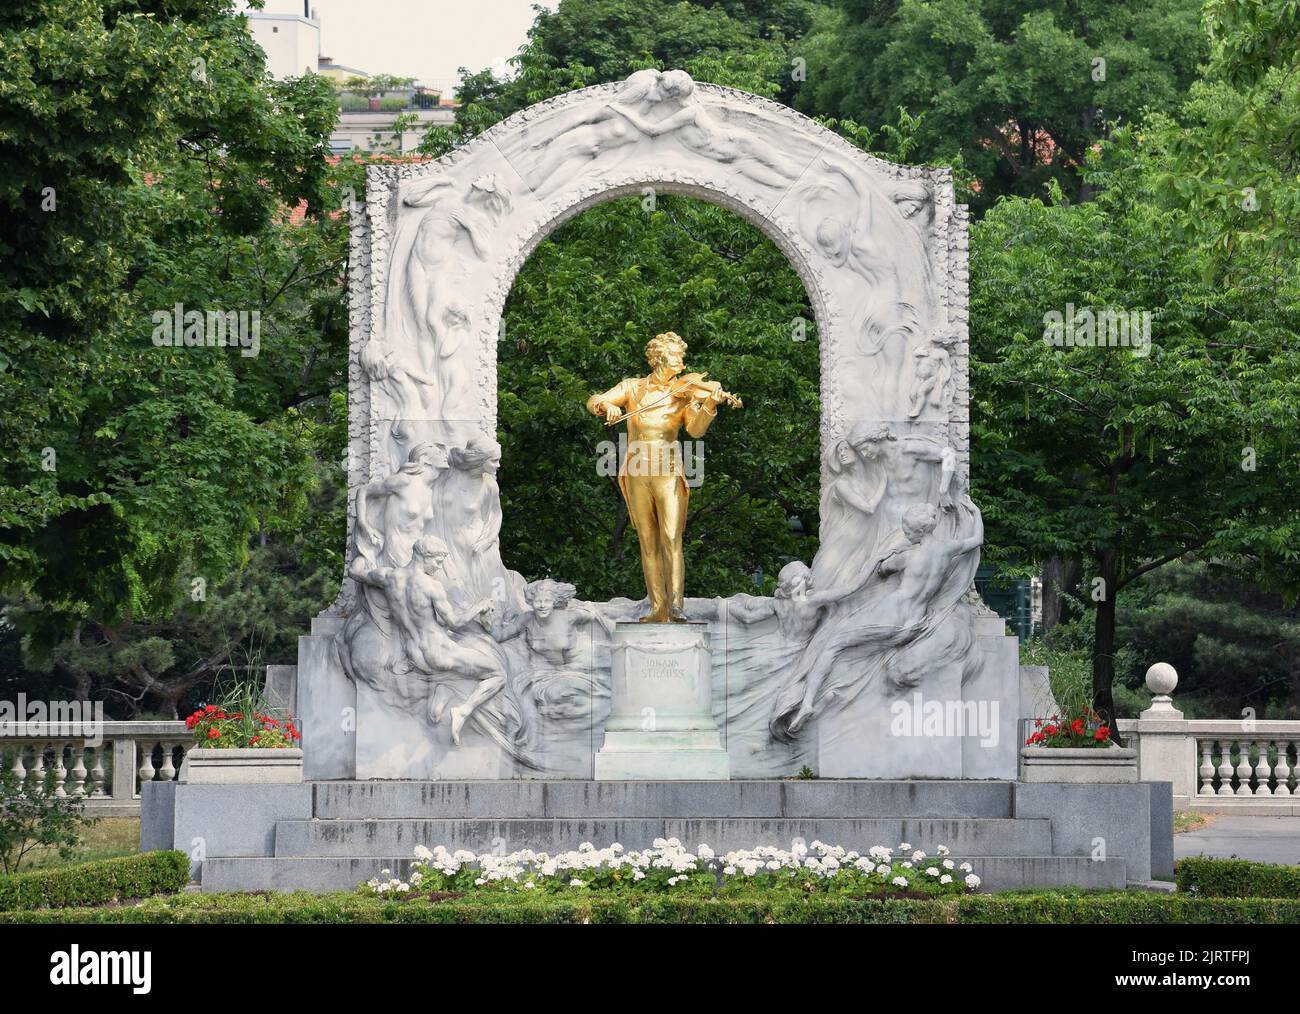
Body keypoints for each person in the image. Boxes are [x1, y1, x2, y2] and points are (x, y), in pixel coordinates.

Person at [586, 331, 741, 622]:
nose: (682, 364)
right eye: (677, 356)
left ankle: (676, 605)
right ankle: (658, 608)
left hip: (668, 470)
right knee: (647, 540)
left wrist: (709, 405)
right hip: (636, 472)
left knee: (671, 536)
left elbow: (695, 430)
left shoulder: (684, 394)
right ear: (660, 357)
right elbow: (595, 399)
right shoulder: (632, 388)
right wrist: (607, 405)